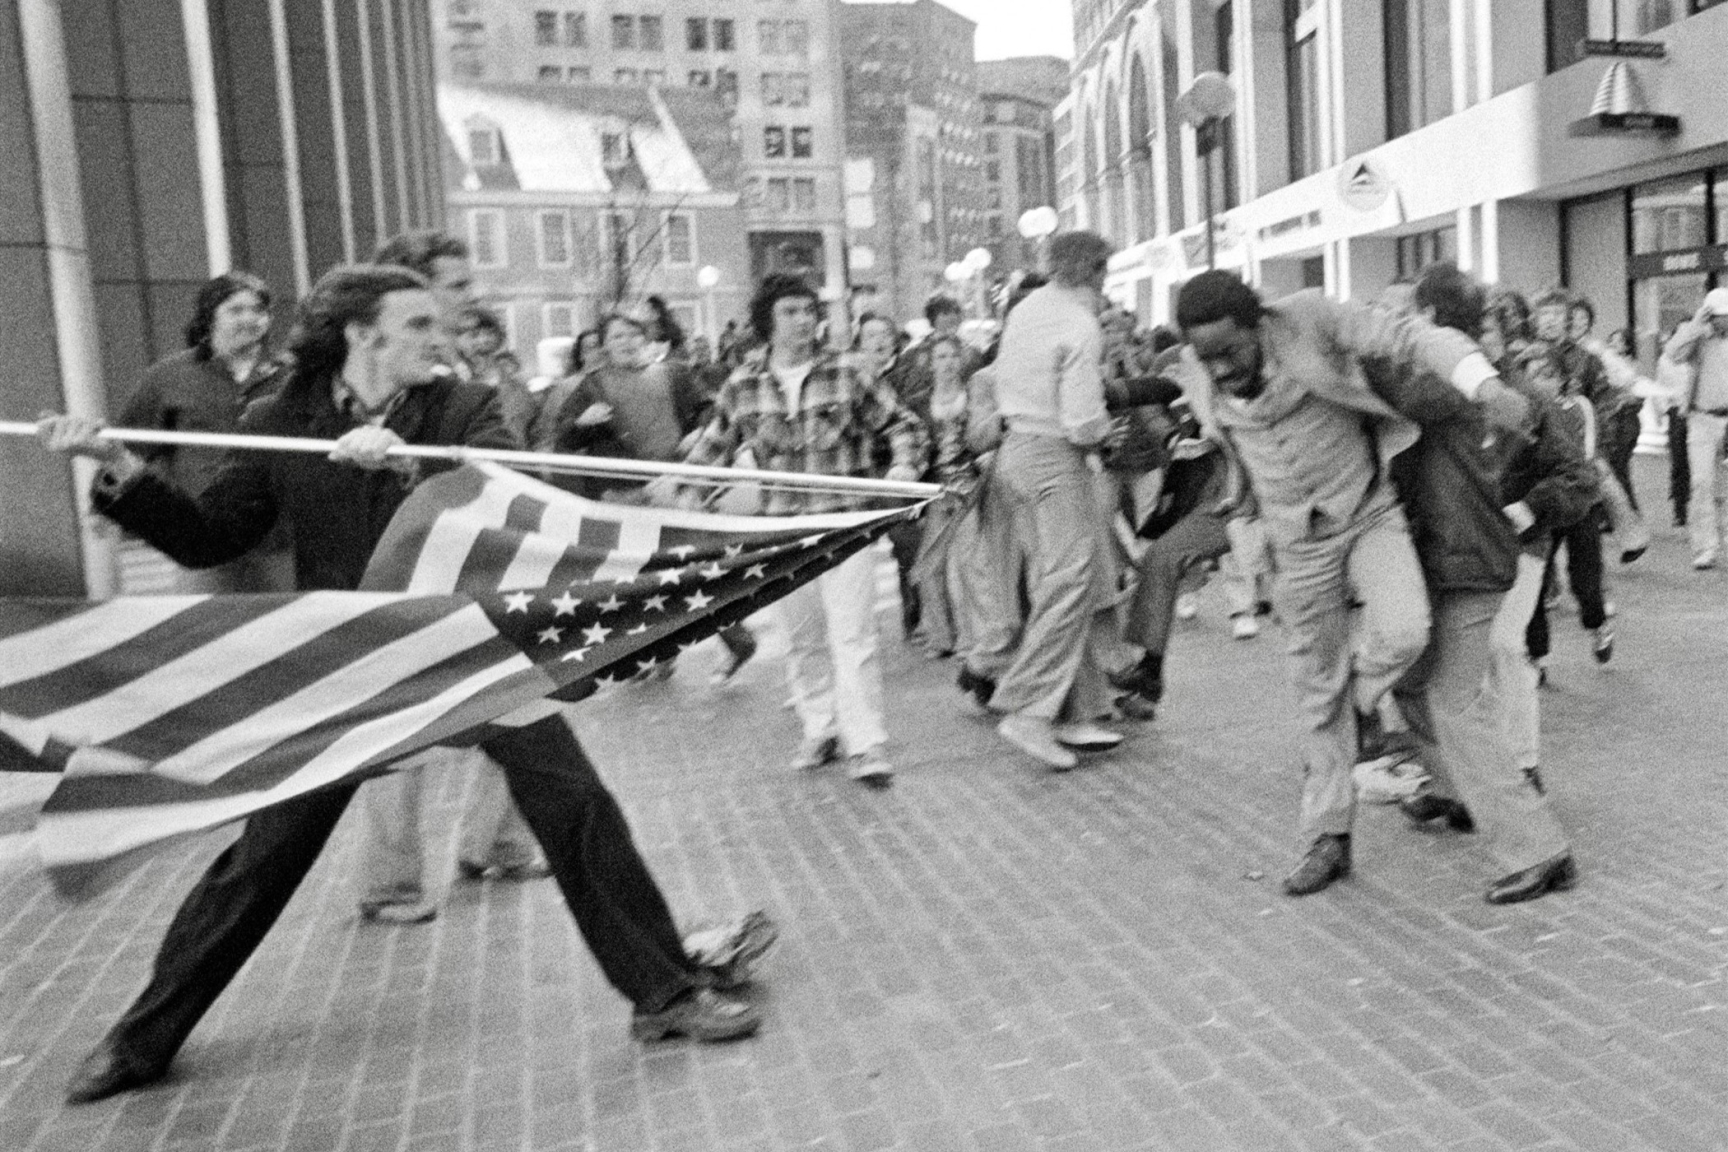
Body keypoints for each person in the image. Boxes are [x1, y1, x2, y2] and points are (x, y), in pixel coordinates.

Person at [37, 265, 771, 1106]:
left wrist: (405, 474)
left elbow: (506, 502)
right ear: (362, 333)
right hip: (354, 661)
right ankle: (143, 1039)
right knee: (265, 855)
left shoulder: (460, 410)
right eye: (419, 324)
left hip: (468, 648)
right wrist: (119, 467)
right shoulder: (280, 419)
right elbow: (211, 538)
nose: (439, 337)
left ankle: (664, 994)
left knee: (574, 803)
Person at [1171, 269, 1529, 896]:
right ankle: (1327, 837)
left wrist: (1485, 383)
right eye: (1208, 357)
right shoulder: (1200, 370)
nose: (1221, 368)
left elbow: (1411, 337)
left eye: (1231, 351)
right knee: (1316, 691)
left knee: (1405, 632)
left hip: (1366, 513)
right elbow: (1219, 432)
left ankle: (1359, 703)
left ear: (1259, 324)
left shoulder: (1309, 318)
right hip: (1294, 540)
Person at [358, 231, 548, 923]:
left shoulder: (474, 366)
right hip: (401, 571)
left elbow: (504, 456)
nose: (472, 296)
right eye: (457, 285)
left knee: (517, 698)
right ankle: (391, 881)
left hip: (480, 561)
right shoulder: (379, 374)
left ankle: (496, 841)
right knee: (400, 727)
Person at [1386, 262, 1585, 904]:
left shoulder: (1451, 386)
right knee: (1412, 682)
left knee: (1455, 699)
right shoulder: (1459, 382)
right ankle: (1457, 791)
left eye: (1406, 316)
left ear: (1431, 320)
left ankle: (1537, 849)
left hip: (1472, 561)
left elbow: (1579, 478)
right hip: (1446, 560)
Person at [680, 274, 927, 786]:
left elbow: (902, 423)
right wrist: (683, 488)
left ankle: (867, 743)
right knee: (803, 638)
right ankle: (821, 727)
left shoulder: (847, 371)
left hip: (844, 526)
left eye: (808, 310)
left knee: (853, 636)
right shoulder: (743, 384)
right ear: (767, 321)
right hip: (784, 534)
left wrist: (904, 464)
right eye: (790, 311)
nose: (803, 320)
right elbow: (713, 447)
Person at [537, 311, 757, 682]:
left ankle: (735, 639)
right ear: (605, 346)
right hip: (625, 492)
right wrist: (582, 424)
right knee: (643, 578)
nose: (626, 342)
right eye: (616, 337)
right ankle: (661, 652)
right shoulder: (591, 385)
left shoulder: (673, 373)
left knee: (692, 569)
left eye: (632, 334)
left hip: (676, 484)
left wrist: (698, 431)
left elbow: (710, 411)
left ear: (644, 338)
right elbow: (563, 438)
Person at [984, 231, 1126, 771]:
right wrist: (1104, 432)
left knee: (1058, 583)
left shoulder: (1027, 310)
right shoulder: (1081, 325)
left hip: (1015, 453)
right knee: (1071, 583)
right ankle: (1029, 710)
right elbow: (1083, 419)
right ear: (1096, 270)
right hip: (1053, 456)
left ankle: (1076, 709)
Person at [115, 271, 293, 593]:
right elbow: (129, 445)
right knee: (202, 622)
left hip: (279, 539)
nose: (250, 318)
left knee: (291, 622)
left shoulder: (293, 376)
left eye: (258, 310)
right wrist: (102, 509)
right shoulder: (167, 377)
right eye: (236, 310)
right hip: (202, 534)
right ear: (210, 316)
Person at [1663, 287, 1728, 568]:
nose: (1723, 321)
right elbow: (1672, 353)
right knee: (1701, 484)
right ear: (1709, 315)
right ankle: (1706, 546)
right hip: (1702, 419)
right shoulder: (1699, 337)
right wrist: (1695, 325)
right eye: (1719, 316)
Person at [454, 305, 539, 447]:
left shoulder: (516, 388)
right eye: (474, 335)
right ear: (458, 341)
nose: (483, 340)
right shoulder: (451, 385)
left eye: (489, 333)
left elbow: (527, 433)